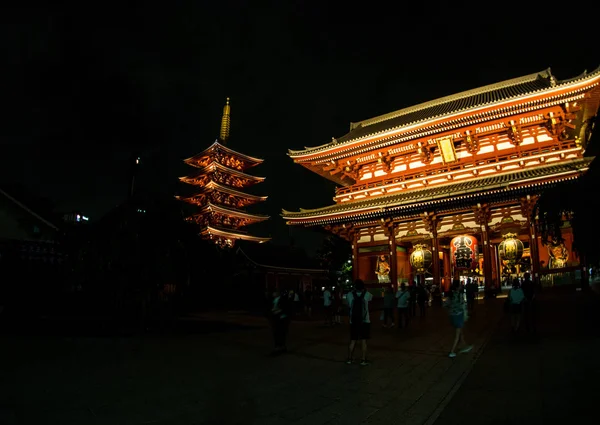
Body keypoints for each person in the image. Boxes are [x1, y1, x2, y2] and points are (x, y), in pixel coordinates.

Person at [346, 279, 373, 366]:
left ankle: (350, 358)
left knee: (353, 340)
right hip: (365, 321)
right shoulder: (367, 294)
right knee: (364, 341)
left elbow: (348, 305)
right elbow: (371, 298)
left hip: (353, 321)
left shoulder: (349, 295)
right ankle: (363, 359)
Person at [445, 278, 473, 358]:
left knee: (460, 332)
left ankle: (464, 345)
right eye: (460, 285)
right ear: (458, 287)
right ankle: (452, 351)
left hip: (452, 316)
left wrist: (451, 310)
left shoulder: (450, 295)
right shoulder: (459, 294)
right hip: (459, 315)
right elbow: (463, 305)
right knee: (457, 334)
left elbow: (445, 305)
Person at [270, 290, 291, 354]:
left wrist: (278, 311)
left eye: (274, 293)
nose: (273, 294)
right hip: (276, 318)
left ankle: (280, 347)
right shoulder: (274, 300)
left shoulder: (283, 300)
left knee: (280, 333)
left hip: (282, 318)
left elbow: (285, 309)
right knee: (276, 333)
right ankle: (279, 346)